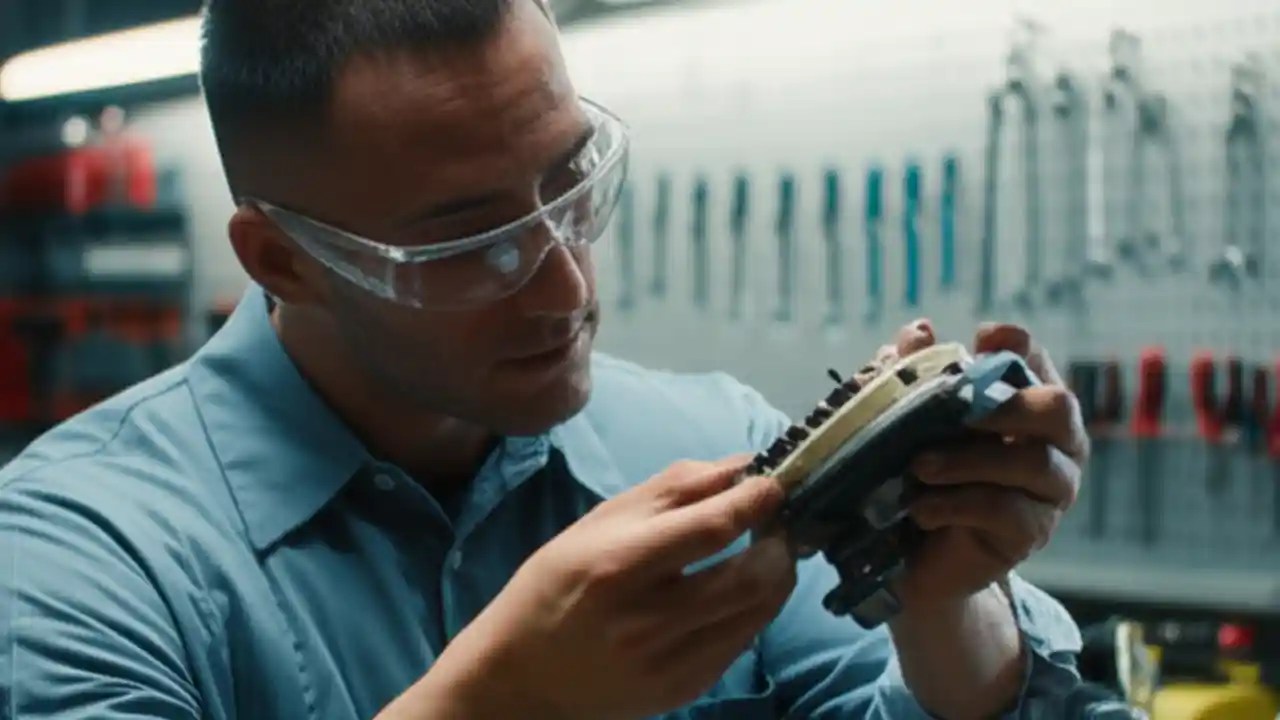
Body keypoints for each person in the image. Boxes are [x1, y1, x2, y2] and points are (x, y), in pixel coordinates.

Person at [0, 1, 1097, 718]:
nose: (567, 290)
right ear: (283, 260)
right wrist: (498, 700)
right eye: (469, 243)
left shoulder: (718, 444)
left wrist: (944, 608)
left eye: (571, 184)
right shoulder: (77, 558)